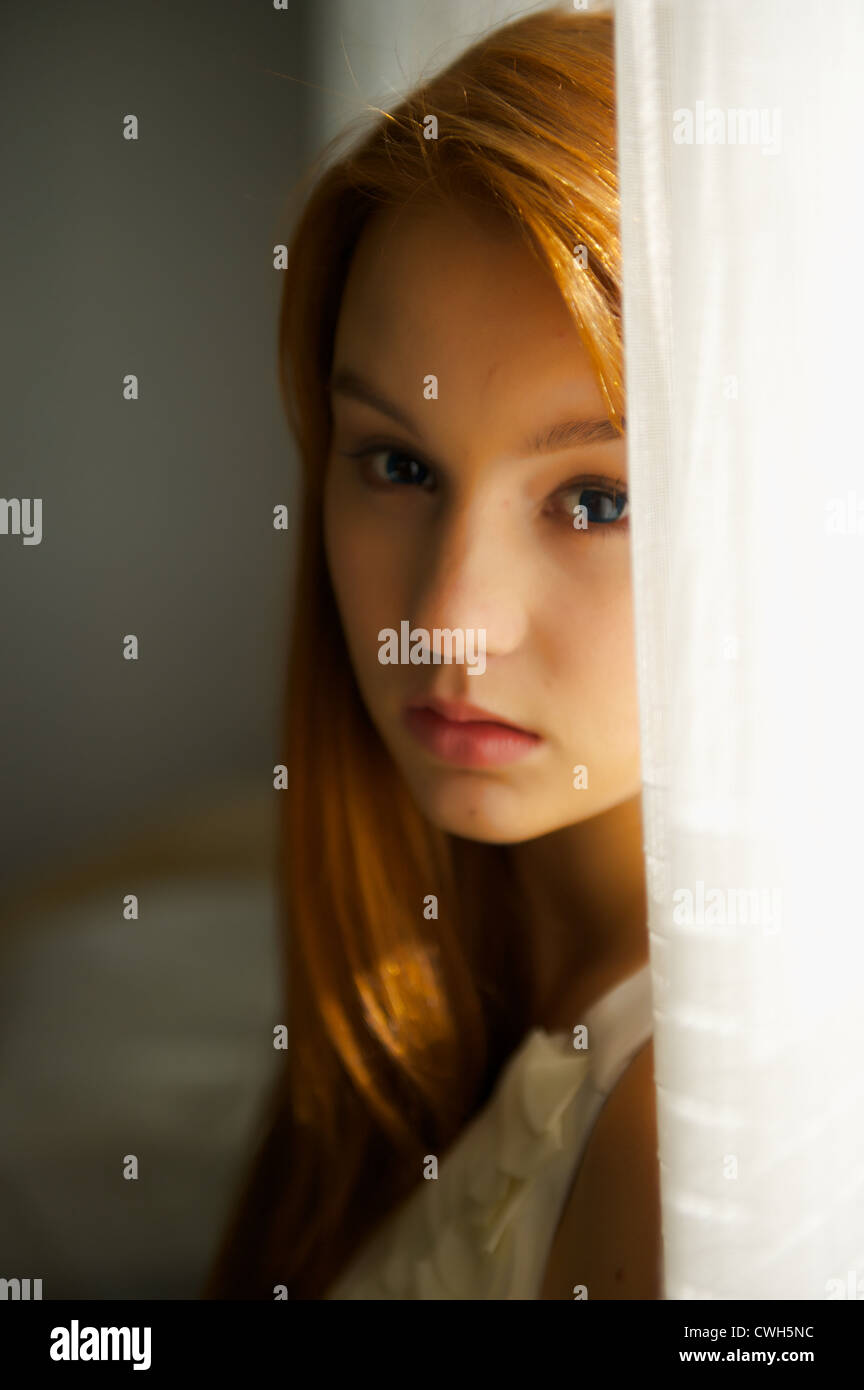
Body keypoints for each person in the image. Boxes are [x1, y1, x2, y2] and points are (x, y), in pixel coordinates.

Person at [205, 3, 661, 1301]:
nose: (446, 619)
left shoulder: (690, 1133)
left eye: (598, 498)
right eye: (398, 463)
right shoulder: (418, 956)